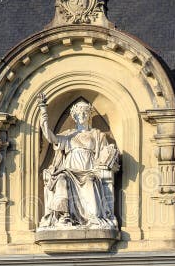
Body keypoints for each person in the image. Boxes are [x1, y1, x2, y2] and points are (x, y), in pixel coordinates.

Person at [38, 94, 119, 230]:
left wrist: (109, 156)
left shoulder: (97, 135)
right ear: (74, 117)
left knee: (90, 181)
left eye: (84, 112)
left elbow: (106, 153)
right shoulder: (67, 135)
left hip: (89, 170)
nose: (81, 115)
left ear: (89, 115)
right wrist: (43, 111)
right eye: (78, 113)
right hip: (70, 171)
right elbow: (50, 136)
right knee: (61, 178)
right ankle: (64, 216)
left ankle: (94, 218)